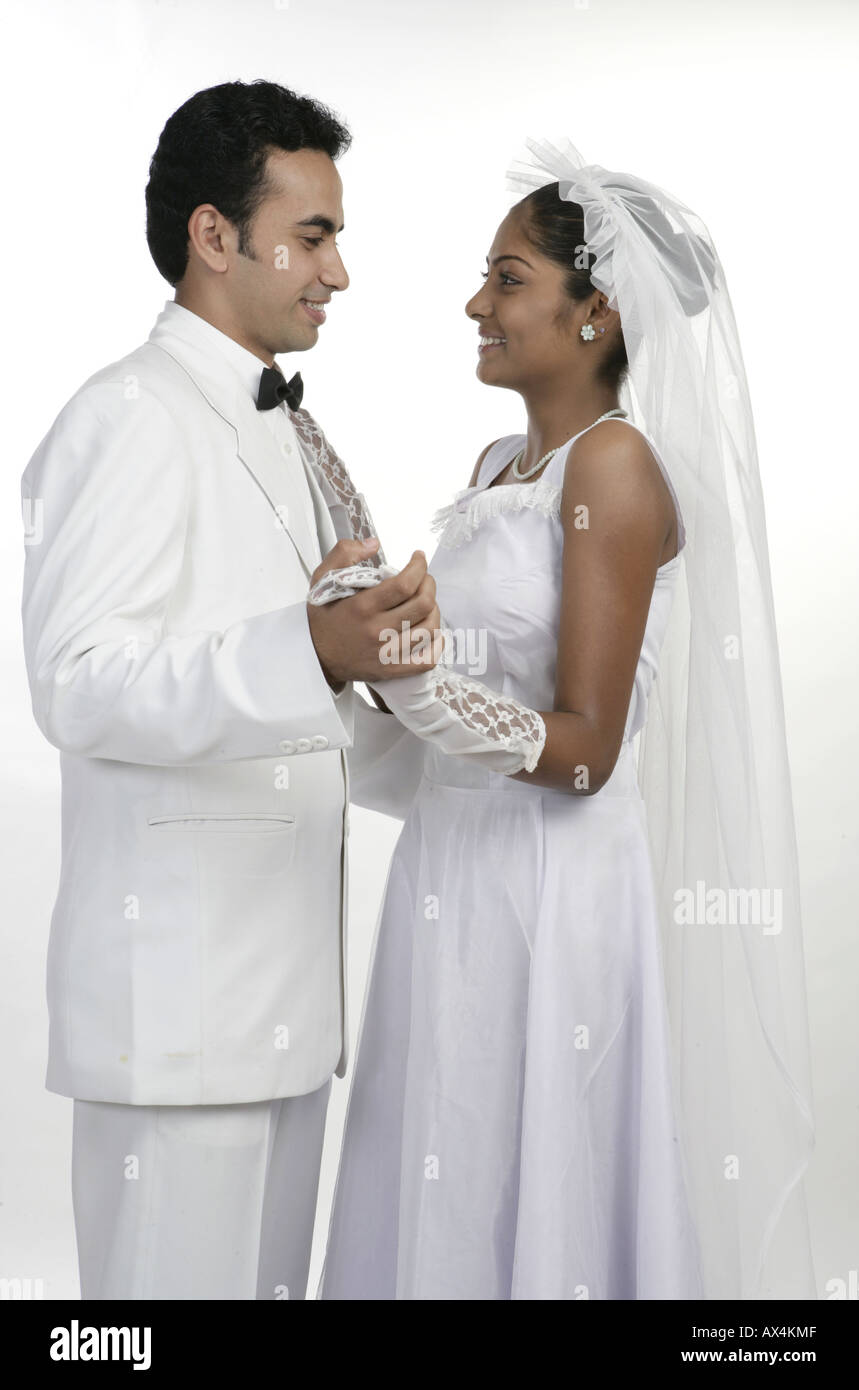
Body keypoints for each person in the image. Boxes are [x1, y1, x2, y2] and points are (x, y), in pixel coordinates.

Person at [315, 142, 817, 1300]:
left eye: (506, 277)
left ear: (595, 310)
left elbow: (587, 747)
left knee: (531, 1149)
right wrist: (349, 655)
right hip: (451, 873)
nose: (474, 304)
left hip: (551, 885)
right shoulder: (500, 460)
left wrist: (417, 682)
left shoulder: (615, 466)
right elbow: (441, 703)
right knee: (441, 1135)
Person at [19, 78, 442, 1300]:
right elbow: (78, 684)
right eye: (313, 236)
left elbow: (295, 712)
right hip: (175, 1016)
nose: (338, 273)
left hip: (287, 1014)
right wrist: (311, 648)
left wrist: (489, 767)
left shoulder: (283, 429)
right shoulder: (126, 415)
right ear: (215, 235)